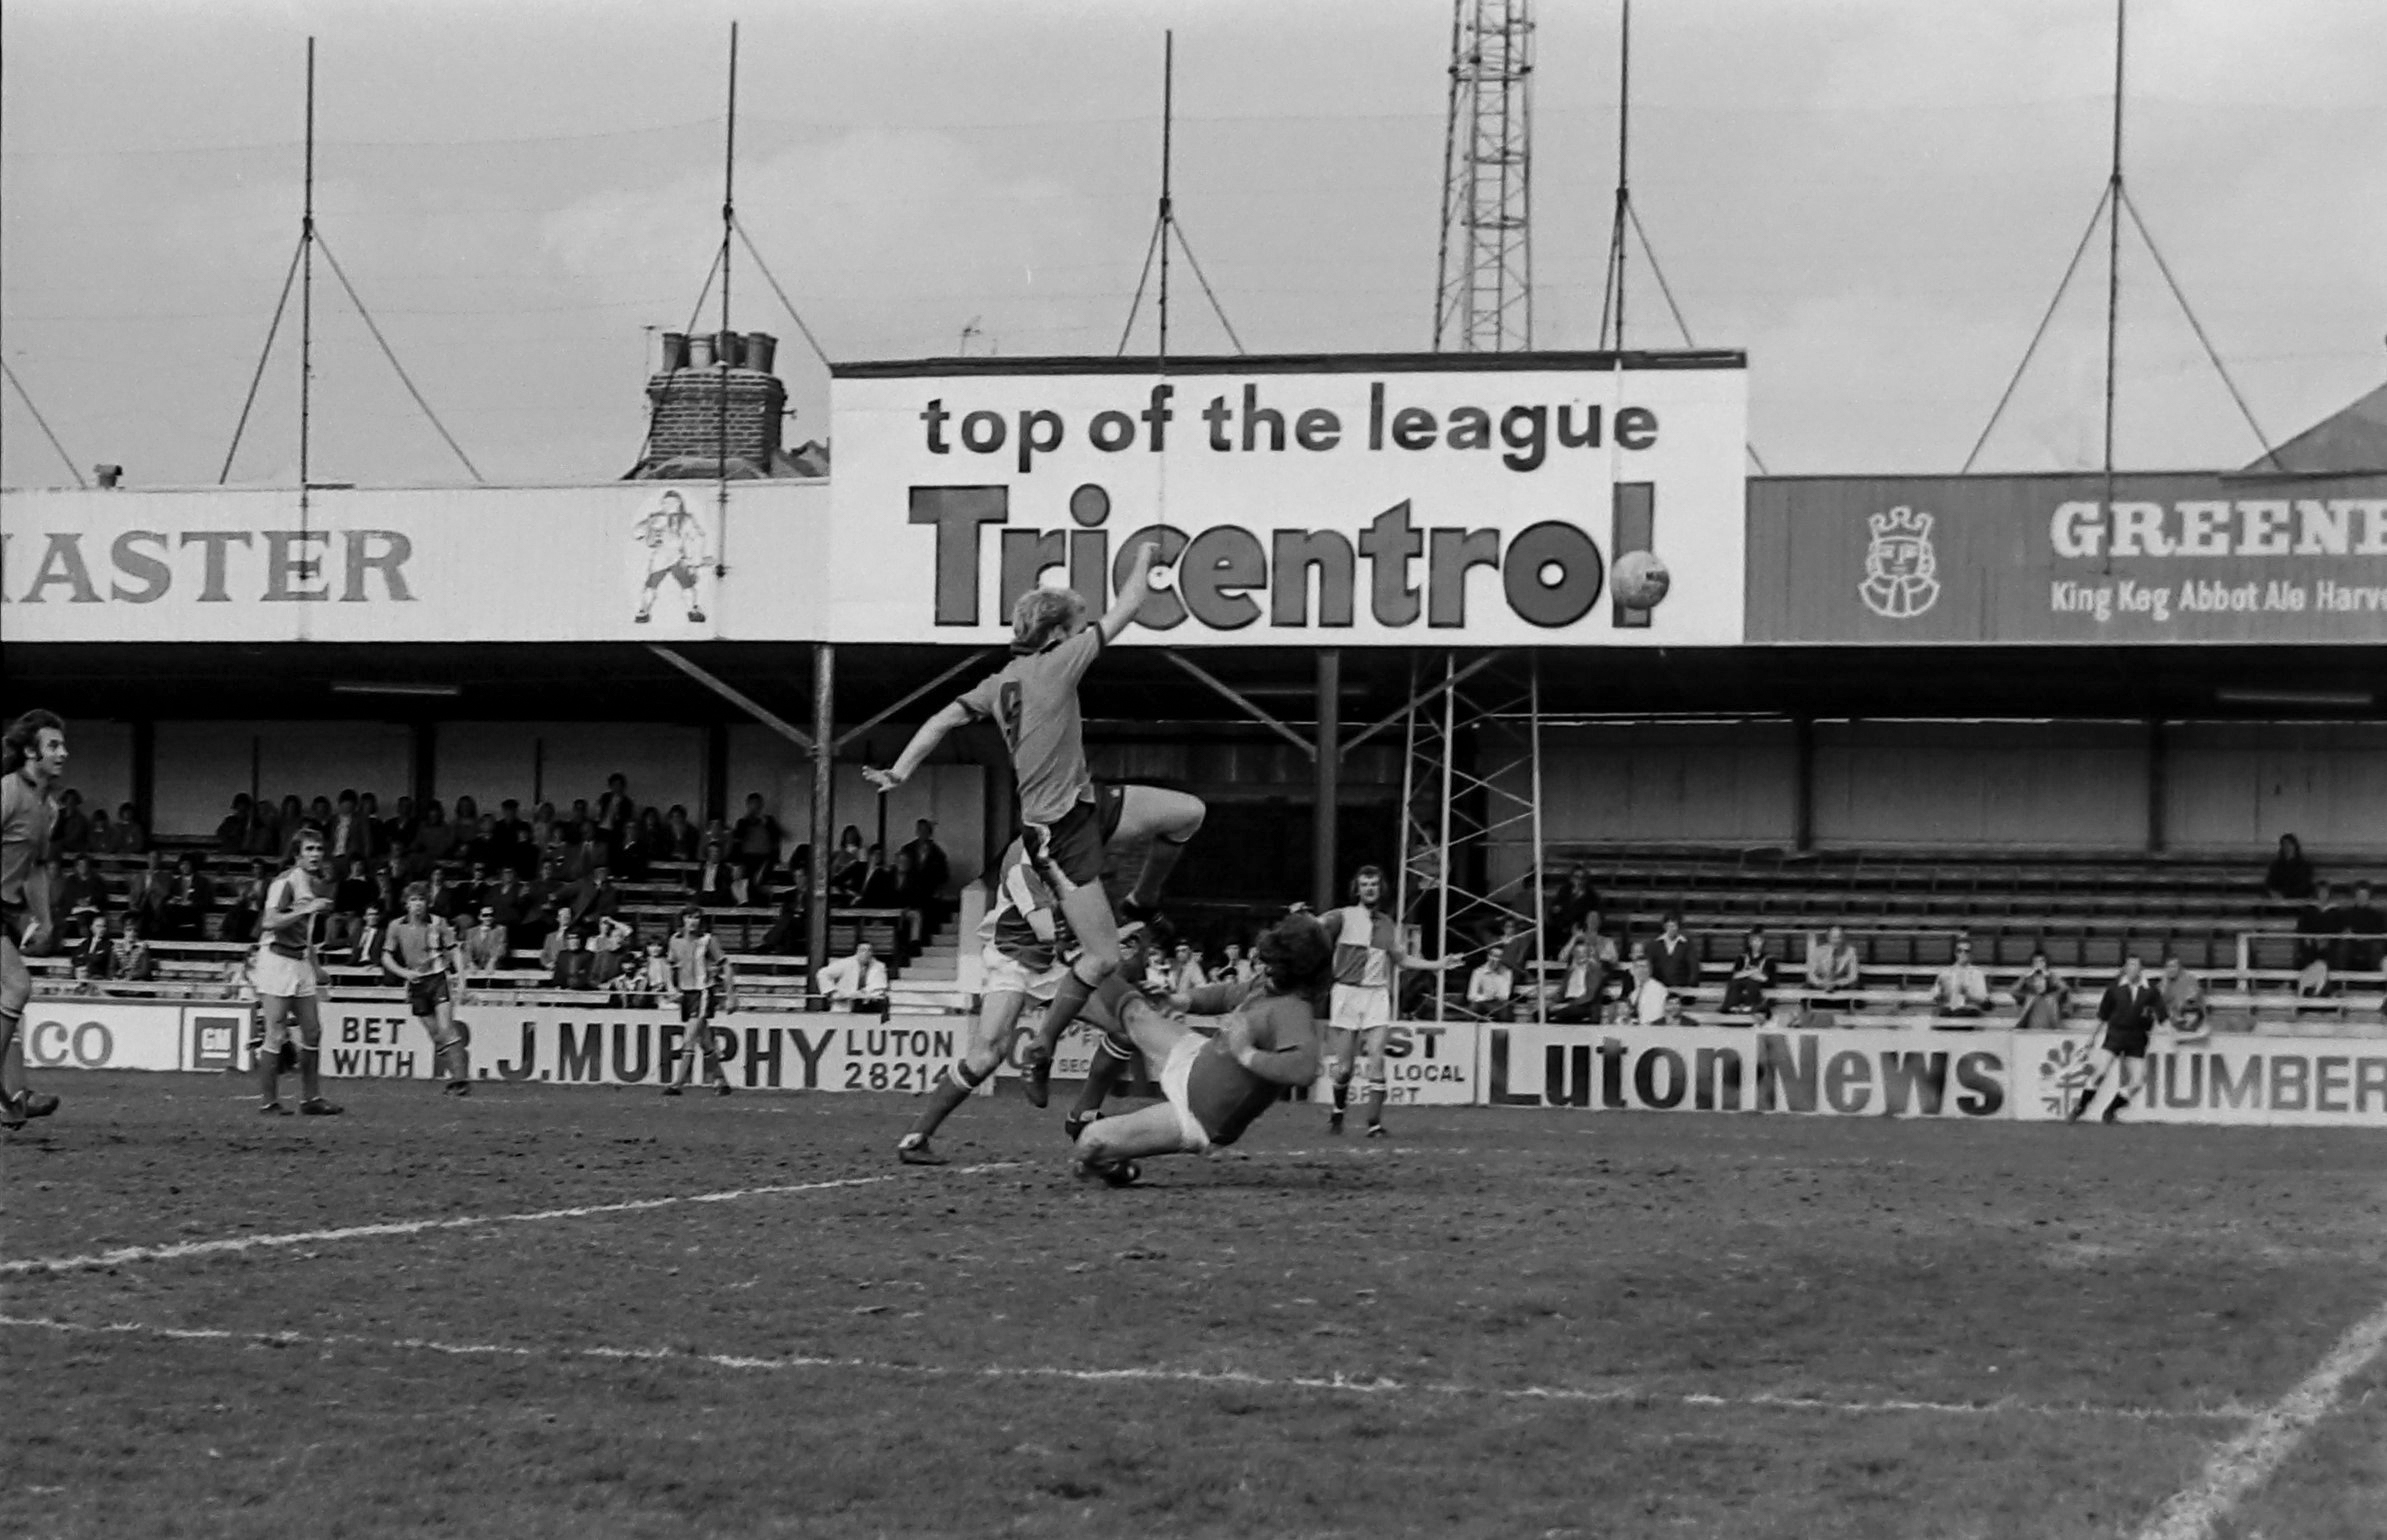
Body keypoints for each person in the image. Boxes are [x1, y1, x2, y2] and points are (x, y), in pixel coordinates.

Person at [866, 542, 1208, 1110]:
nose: (1082, 631)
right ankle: (1042, 1046)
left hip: (1087, 804)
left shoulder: (1000, 681)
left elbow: (940, 719)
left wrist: (901, 770)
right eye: (1076, 624)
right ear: (1057, 634)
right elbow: (1129, 605)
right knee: (1101, 959)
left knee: (1188, 814)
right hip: (1061, 831)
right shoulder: (1060, 661)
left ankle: (1145, 898)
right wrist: (1147, 549)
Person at [1066, 914, 1333, 1187]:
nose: (1265, 966)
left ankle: (1113, 1166)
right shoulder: (1271, 983)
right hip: (1195, 1057)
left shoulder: (1294, 1011)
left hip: (1197, 1116)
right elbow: (1230, 993)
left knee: (1090, 1141)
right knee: (1134, 1010)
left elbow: (1304, 1069)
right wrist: (1181, 1000)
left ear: (1292, 966)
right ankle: (1077, 956)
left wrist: (1246, 1053)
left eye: (1273, 960)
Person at [897, 839, 1079, 1166]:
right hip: (1015, 957)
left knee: (1121, 1024)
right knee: (986, 1055)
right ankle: (916, 1137)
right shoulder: (1023, 862)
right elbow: (1046, 930)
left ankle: (1080, 1111)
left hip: (1054, 961)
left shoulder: (1072, 845)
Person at [1316, 864, 1455, 1137]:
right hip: (1346, 993)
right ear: (1357, 889)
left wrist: (1438, 964)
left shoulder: (1388, 924)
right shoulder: (1342, 916)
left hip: (1376, 994)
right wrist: (1301, 918)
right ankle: (1338, 1112)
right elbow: (1315, 925)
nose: (1370, 889)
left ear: (1381, 889)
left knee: (1377, 1058)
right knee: (1344, 1069)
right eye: (1365, 884)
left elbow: (1401, 959)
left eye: (1374, 884)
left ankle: (1374, 1124)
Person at [2, 711, 69, 1129]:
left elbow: (38, 868)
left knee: (7, 1004)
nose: (63, 752)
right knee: (16, 986)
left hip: (7, 910)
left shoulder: (48, 807)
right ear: (30, 751)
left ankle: (13, 1101)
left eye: (63, 745)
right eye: (53, 746)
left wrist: (44, 921)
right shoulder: (8, 793)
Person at [253, 829, 343, 1117]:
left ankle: (311, 1098)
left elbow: (305, 932)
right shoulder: (284, 883)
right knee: (276, 1031)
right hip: (277, 961)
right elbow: (269, 921)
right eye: (310, 849)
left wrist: (316, 966)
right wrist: (306, 910)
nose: (316, 854)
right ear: (297, 854)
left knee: (313, 1030)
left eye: (319, 848)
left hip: (300, 961)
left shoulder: (311, 883)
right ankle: (269, 1102)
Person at [383, 883, 470, 1095]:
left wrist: (462, 978)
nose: (418, 905)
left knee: (445, 1027)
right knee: (435, 1034)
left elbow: (454, 950)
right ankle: (456, 1074)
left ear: (427, 902)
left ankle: (461, 1080)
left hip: (438, 978)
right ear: (406, 904)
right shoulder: (396, 926)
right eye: (413, 900)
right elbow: (386, 956)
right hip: (416, 983)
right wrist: (404, 973)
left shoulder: (438, 923)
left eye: (421, 899)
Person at [2069, 955, 2167, 1123]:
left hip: (2137, 1038)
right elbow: (2102, 1016)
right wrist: (2091, 1039)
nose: (2131, 968)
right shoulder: (2114, 988)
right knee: (2100, 1073)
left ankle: (2111, 1110)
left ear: (2141, 969)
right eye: (2129, 965)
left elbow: (2162, 1016)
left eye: (2135, 965)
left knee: (2137, 1081)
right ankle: (2080, 1107)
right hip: (2115, 1034)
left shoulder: (2151, 990)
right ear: (2125, 968)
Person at [662, 908, 732, 1096]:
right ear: (683, 919)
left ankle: (677, 1083)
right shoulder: (675, 940)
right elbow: (669, 964)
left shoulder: (708, 940)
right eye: (689, 917)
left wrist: (731, 994)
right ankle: (721, 1081)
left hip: (703, 993)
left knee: (689, 1037)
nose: (693, 921)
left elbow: (725, 964)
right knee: (706, 1042)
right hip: (686, 994)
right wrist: (670, 987)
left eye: (696, 917)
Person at [633, 489, 709, 624]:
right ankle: (643, 611)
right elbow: (637, 532)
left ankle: (692, 610)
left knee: (687, 585)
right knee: (651, 585)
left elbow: (698, 537)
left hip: (677, 556)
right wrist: (648, 526)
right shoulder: (655, 518)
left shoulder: (686, 520)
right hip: (660, 557)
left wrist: (696, 558)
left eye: (672, 502)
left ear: (678, 503)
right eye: (666, 502)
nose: (668, 505)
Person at [1550, 918, 1615, 1024]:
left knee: (1562, 1013)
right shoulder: (1571, 971)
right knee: (1540, 1013)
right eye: (1577, 952)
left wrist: (1567, 1005)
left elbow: (1589, 996)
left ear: (1588, 954)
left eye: (1583, 952)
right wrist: (1552, 1002)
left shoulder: (1594, 970)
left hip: (1584, 1004)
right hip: (1567, 1002)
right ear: (1574, 954)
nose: (1581, 955)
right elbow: (1561, 992)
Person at [1804, 925, 1862, 1017]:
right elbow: (1811, 974)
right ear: (1828, 937)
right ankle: (1806, 1018)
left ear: (1843, 938)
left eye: (1839, 937)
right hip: (1822, 983)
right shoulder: (1818, 951)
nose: (1837, 940)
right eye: (1834, 937)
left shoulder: (1851, 951)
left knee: (1857, 986)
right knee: (1805, 987)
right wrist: (1821, 983)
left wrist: (1838, 983)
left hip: (1840, 984)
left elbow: (1853, 975)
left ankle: (1850, 1018)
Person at [819, 940, 890, 1014]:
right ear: (857, 952)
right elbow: (822, 973)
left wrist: (862, 993)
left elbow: (880, 985)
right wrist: (832, 992)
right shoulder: (845, 963)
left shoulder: (879, 966)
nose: (866, 953)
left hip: (868, 1004)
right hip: (844, 1002)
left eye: (869, 950)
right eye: (863, 950)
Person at [1719, 928, 1776, 1019]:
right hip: (1742, 985)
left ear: (1763, 943)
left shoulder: (1769, 959)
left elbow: (1766, 979)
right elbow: (1735, 975)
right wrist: (1753, 972)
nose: (1756, 943)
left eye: (1759, 941)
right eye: (1754, 940)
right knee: (1734, 983)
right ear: (1749, 943)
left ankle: (1749, 1007)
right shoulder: (1742, 957)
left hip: (1759, 986)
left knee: (1751, 982)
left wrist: (1747, 974)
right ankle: (1731, 1007)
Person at [1931, 939, 1991, 1021]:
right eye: (1959, 951)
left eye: (1966, 951)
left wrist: (1968, 994)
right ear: (1955, 953)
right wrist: (1939, 994)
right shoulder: (1945, 972)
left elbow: (1983, 999)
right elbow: (1936, 994)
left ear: (1971, 954)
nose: (1963, 954)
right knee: (1943, 1013)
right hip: (1949, 1008)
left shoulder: (1977, 973)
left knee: (1959, 1013)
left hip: (1969, 1008)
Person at [2010, 950, 2070, 1032]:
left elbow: (2064, 988)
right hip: (2030, 1033)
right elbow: (2013, 991)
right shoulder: (2028, 998)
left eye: (2042, 981)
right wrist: (2025, 977)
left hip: (2050, 1033)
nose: (2039, 984)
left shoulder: (2053, 997)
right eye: (2036, 981)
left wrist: (2049, 975)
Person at [1464, 942, 1516, 1022]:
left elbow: (1504, 995)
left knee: (1506, 1010)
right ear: (1488, 956)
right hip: (1482, 1003)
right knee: (1473, 1008)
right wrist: (1486, 997)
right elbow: (1471, 995)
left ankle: (1502, 1032)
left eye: (1498, 957)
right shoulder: (1478, 972)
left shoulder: (1507, 972)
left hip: (1497, 1004)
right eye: (1493, 956)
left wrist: (1486, 996)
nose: (1495, 959)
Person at [2160, 955, 2209, 1040]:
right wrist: (2164, 985)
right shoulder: (2165, 982)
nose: (2171, 969)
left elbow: (2192, 998)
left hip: (2192, 1020)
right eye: (2168, 967)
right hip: (2174, 1023)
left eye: (2173, 966)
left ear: (2179, 967)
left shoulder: (2190, 979)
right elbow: (2160, 1002)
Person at [2264, 833, 2316, 901]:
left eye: (2289, 844)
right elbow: (2269, 883)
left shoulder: (2305, 865)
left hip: (2298, 899)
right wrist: (2273, 893)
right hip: (2278, 900)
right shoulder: (2275, 865)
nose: (2287, 847)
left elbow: (2304, 886)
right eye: (2284, 844)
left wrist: (2285, 895)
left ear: (2295, 846)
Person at [1628, 955, 1669, 1025]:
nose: (1641, 970)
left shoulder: (1658, 989)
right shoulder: (1634, 993)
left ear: (1650, 970)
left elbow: (1657, 1017)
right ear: (1633, 970)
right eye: (1638, 967)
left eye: (1644, 967)